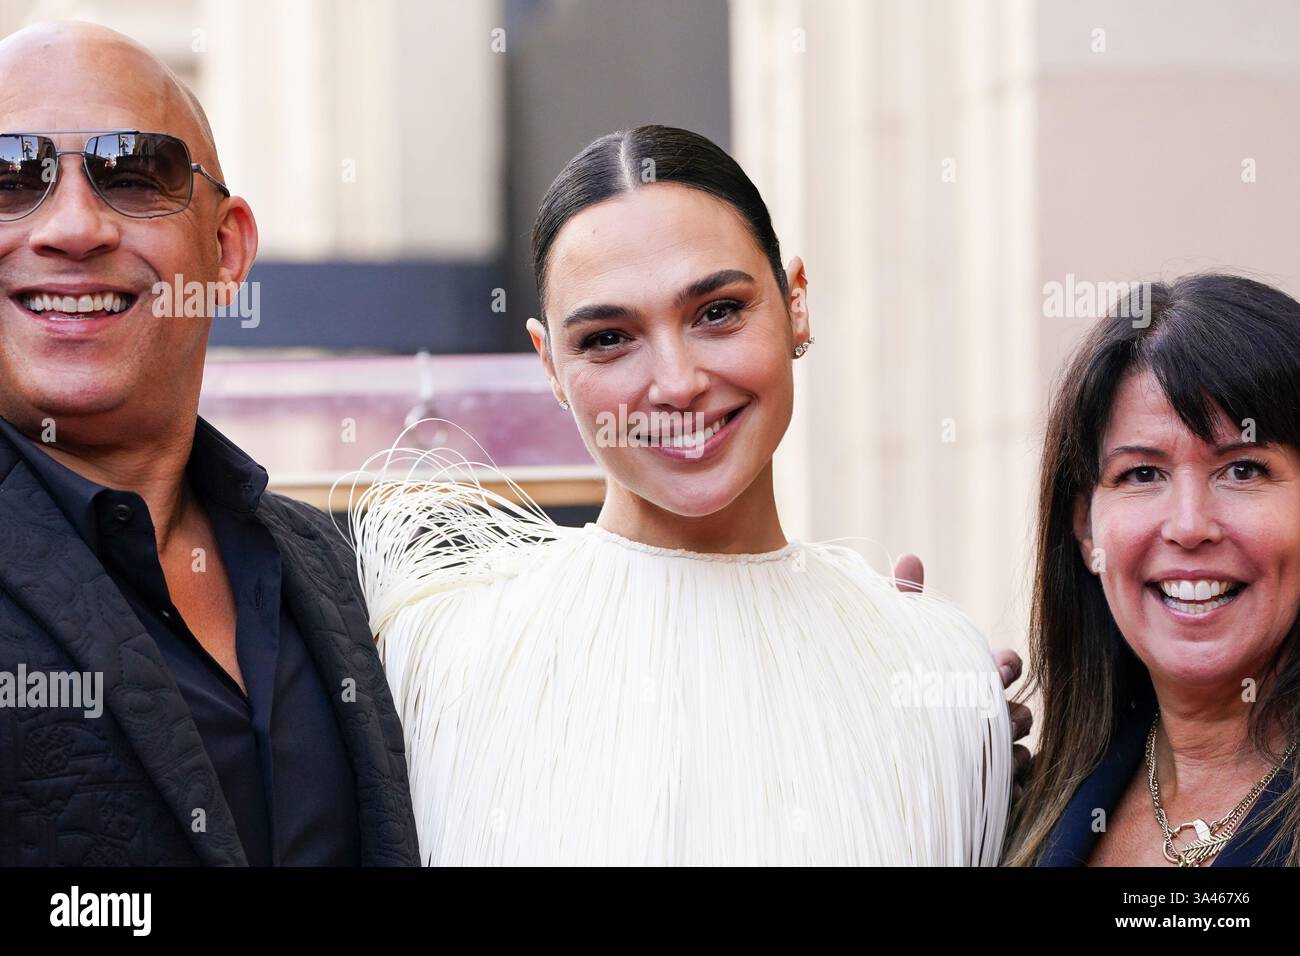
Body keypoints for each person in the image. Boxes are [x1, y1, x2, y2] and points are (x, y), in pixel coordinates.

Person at [353, 125, 1020, 865]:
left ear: (795, 302)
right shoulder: (432, 659)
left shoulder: (933, 672)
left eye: (717, 312)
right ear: (550, 365)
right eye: (608, 337)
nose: (676, 382)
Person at [0, 21, 418, 866]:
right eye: (12, 178)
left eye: (133, 173)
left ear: (225, 250)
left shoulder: (337, 571)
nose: (74, 228)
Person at [1007, 274, 1300, 866]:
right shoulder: (1029, 815)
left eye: (1243, 470)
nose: (1190, 526)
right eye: (1141, 474)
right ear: (1087, 529)